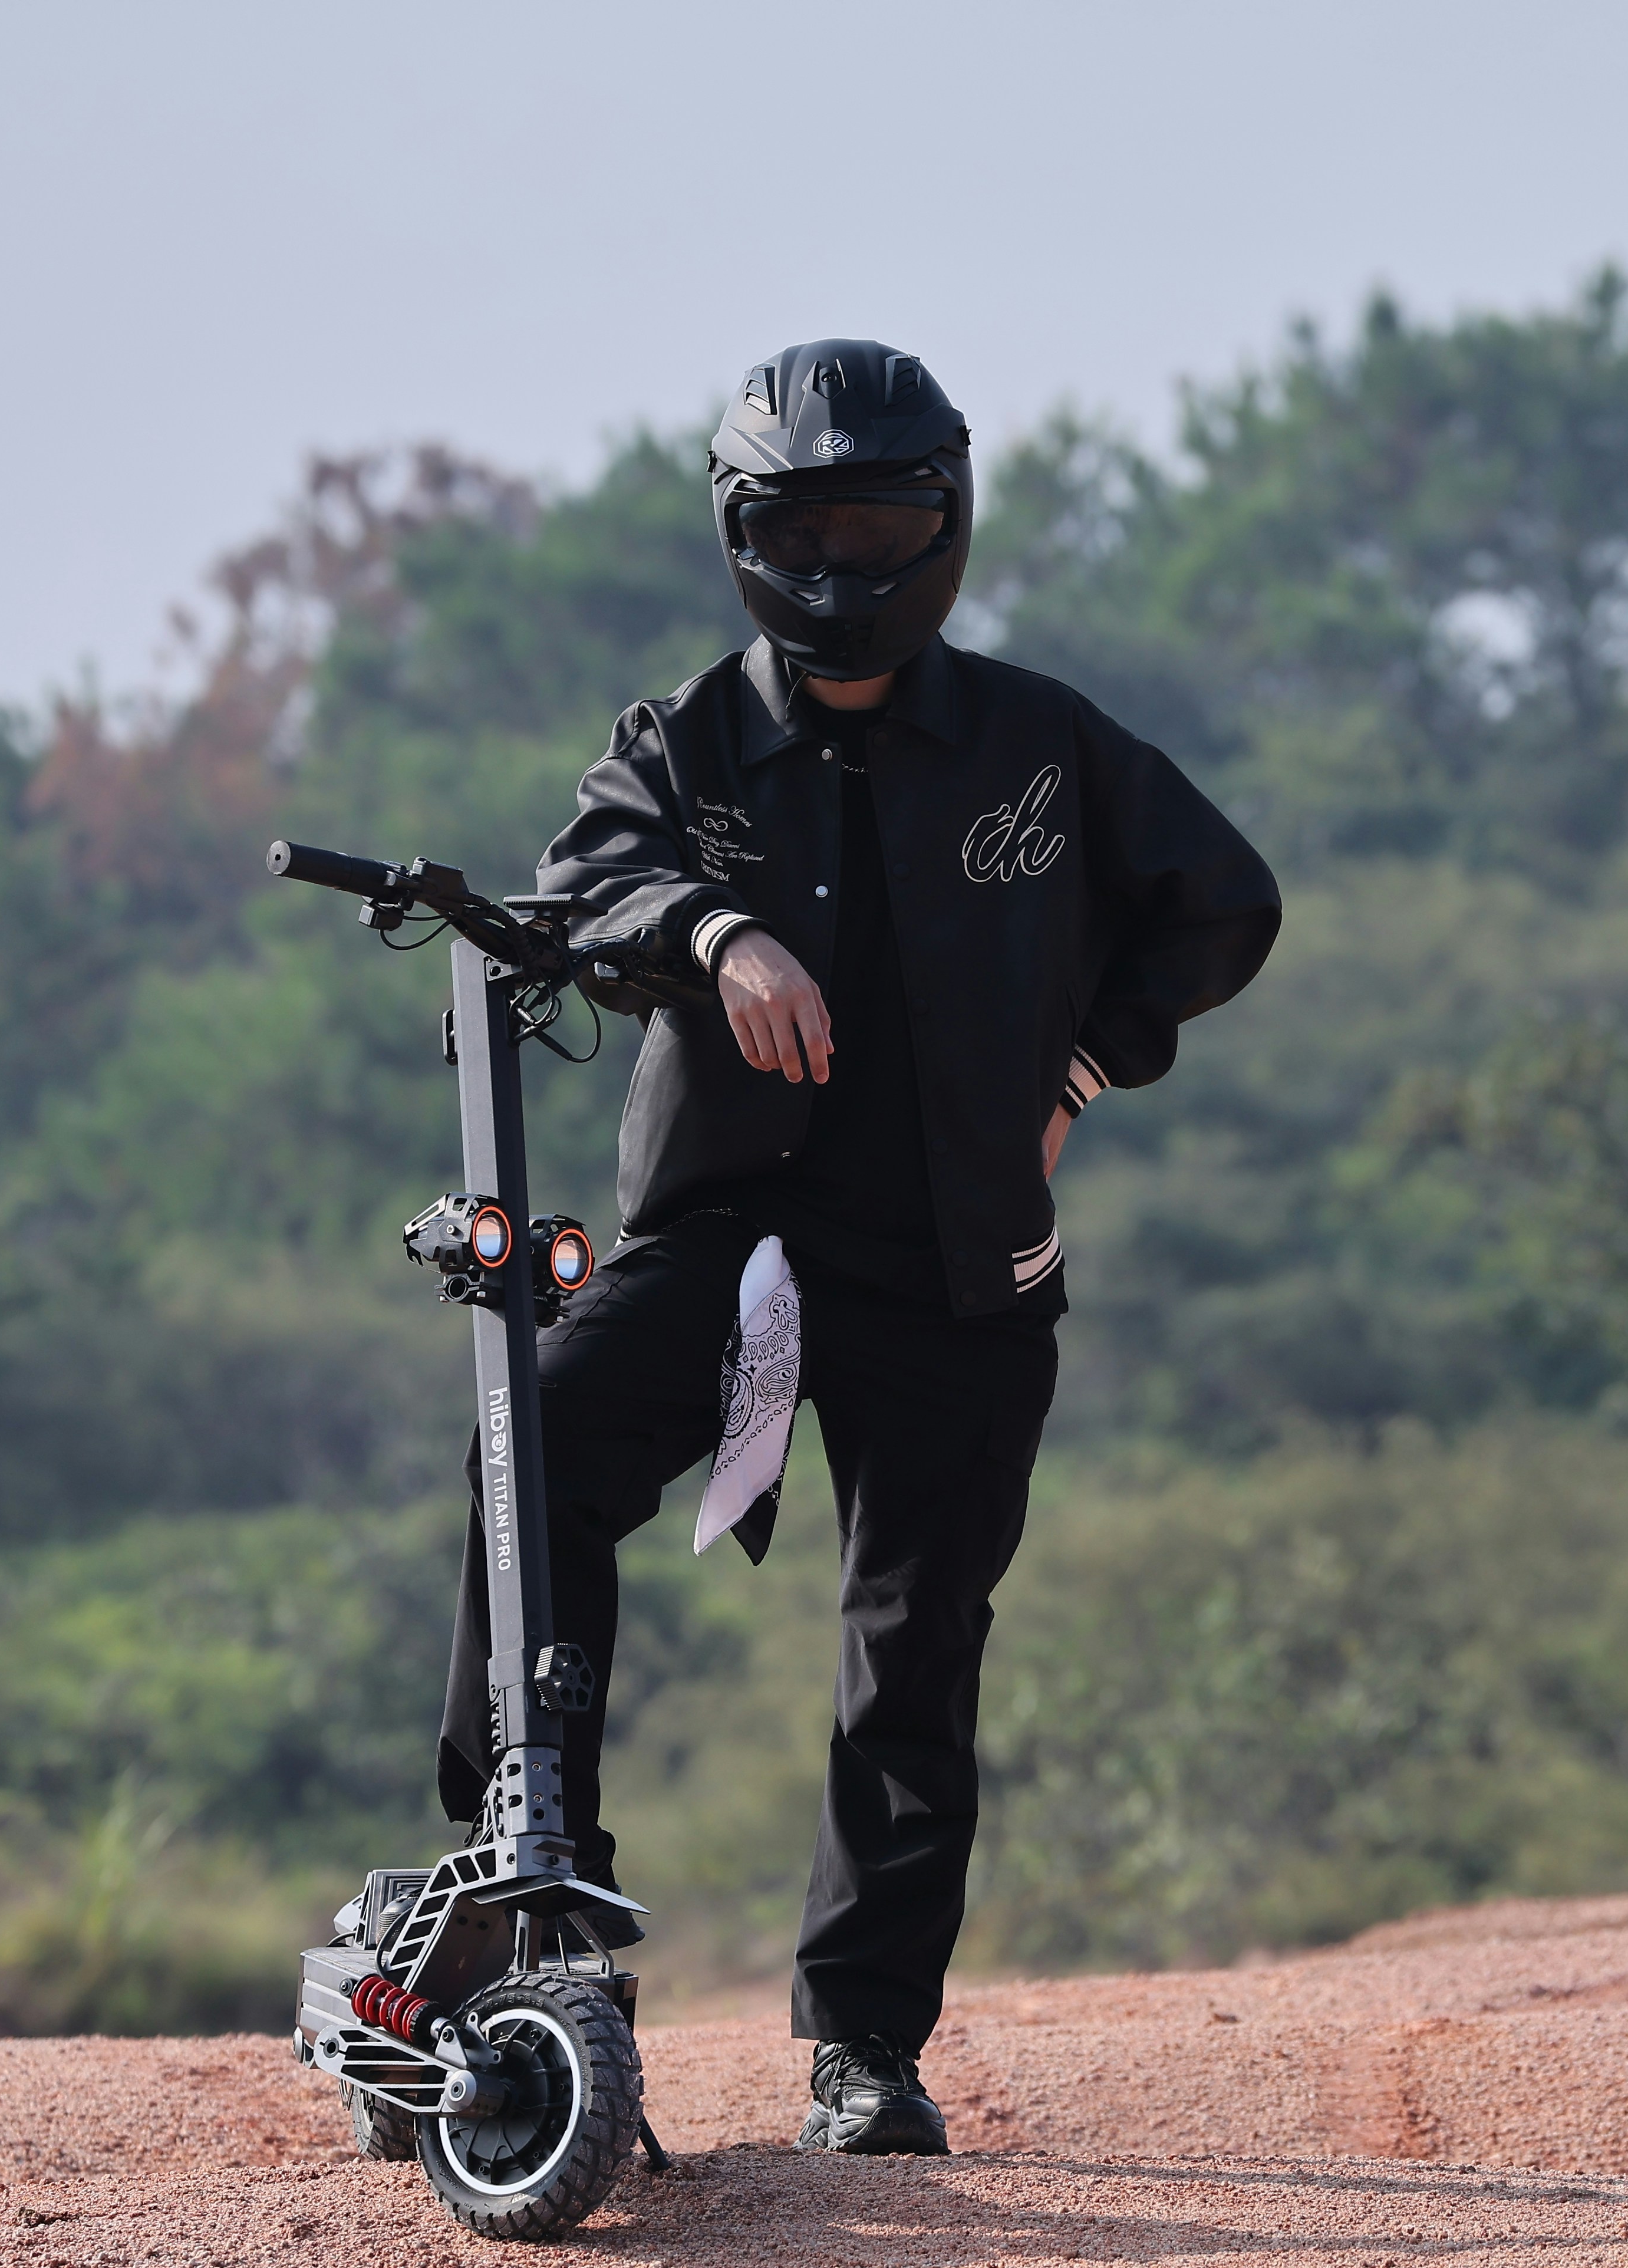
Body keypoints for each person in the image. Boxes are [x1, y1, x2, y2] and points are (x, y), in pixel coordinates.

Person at [432, 338, 1280, 2155]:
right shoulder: (686, 738)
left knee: (915, 1639)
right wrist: (718, 930)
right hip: (729, 1231)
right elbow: (576, 888)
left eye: (887, 515)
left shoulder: (1040, 742)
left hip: (962, 1257)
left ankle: (866, 2055)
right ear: (745, 530)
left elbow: (1224, 904)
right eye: (809, 522)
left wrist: (1084, 1063)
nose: (850, 556)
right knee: (542, 1456)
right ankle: (530, 1918)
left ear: (950, 514)